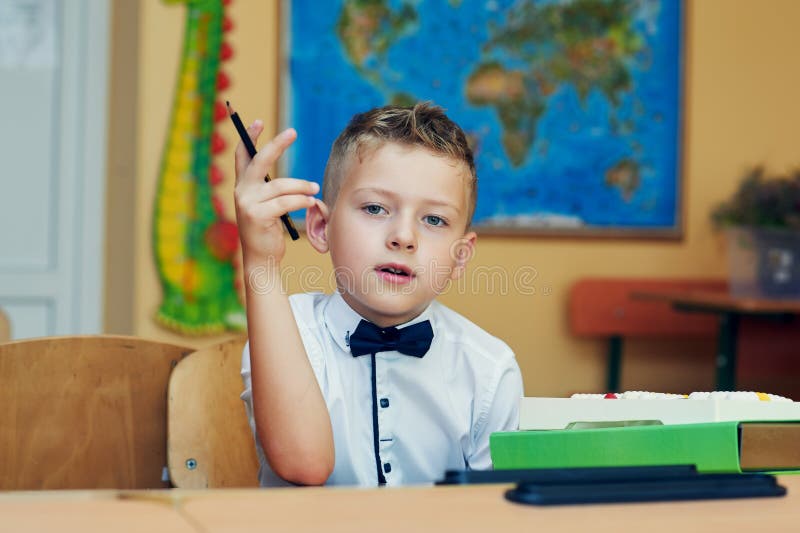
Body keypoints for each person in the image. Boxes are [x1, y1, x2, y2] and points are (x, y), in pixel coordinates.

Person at [235, 102, 523, 487]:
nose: (403, 237)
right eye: (375, 208)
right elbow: (305, 464)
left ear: (460, 256)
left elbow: (497, 517)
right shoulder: (287, 331)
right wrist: (261, 263)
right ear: (321, 227)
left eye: (434, 219)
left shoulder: (489, 370)